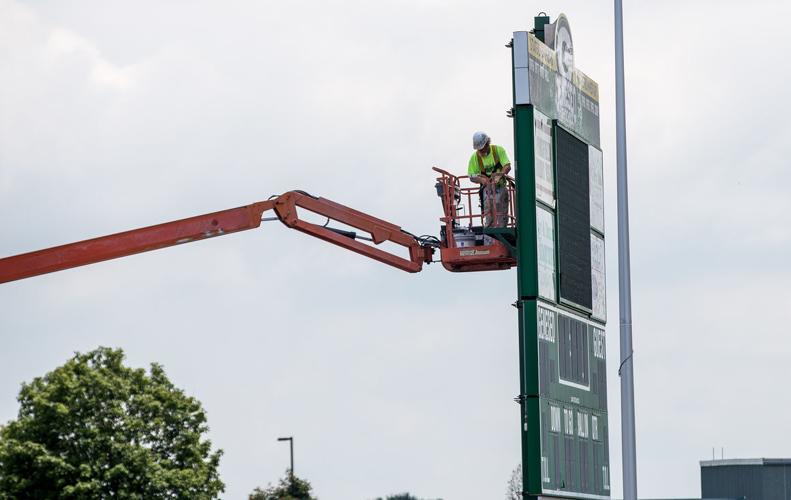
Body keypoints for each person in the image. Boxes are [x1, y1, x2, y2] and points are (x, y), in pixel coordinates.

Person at [468, 131, 512, 228]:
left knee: (501, 214)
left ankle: (501, 231)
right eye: (479, 150)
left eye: (482, 149)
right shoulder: (475, 158)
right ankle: (489, 233)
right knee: (489, 213)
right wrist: (482, 180)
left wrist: (499, 176)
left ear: (487, 144)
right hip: (487, 190)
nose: (481, 152)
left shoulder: (498, 151)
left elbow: (507, 166)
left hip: (501, 186)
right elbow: (471, 176)